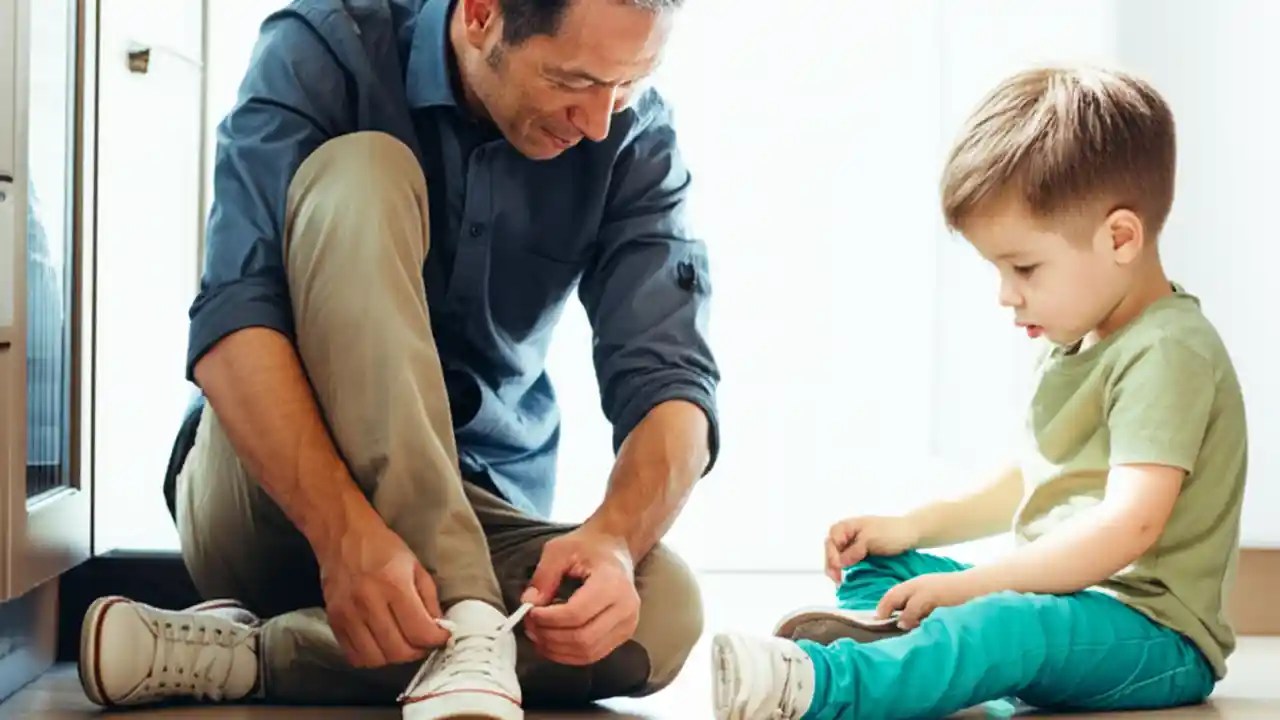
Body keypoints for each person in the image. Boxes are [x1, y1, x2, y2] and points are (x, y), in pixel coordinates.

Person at [77, 1, 718, 718]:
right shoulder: (324, 46)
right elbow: (232, 327)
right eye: (572, 82)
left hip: (482, 503)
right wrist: (344, 532)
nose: (600, 121)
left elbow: (672, 384)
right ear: (481, 15)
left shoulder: (633, 135)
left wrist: (615, 545)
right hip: (277, 492)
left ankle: (256, 656)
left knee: (664, 614)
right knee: (363, 172)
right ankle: (468, 614)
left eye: (627, 84)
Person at [711, 65, 1247, 720]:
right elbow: (1029, 483)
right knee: (894, 573)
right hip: (1063, 610)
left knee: (1002, 622)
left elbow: (1128, 524)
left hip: (1151, 634)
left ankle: (824, 686)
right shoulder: (1077, 338)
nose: (1006, 294)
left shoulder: (1167, 350)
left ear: (1120, 238)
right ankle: (899, 651)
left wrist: (975, 587)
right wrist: (910, 527)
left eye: (1023, 268)